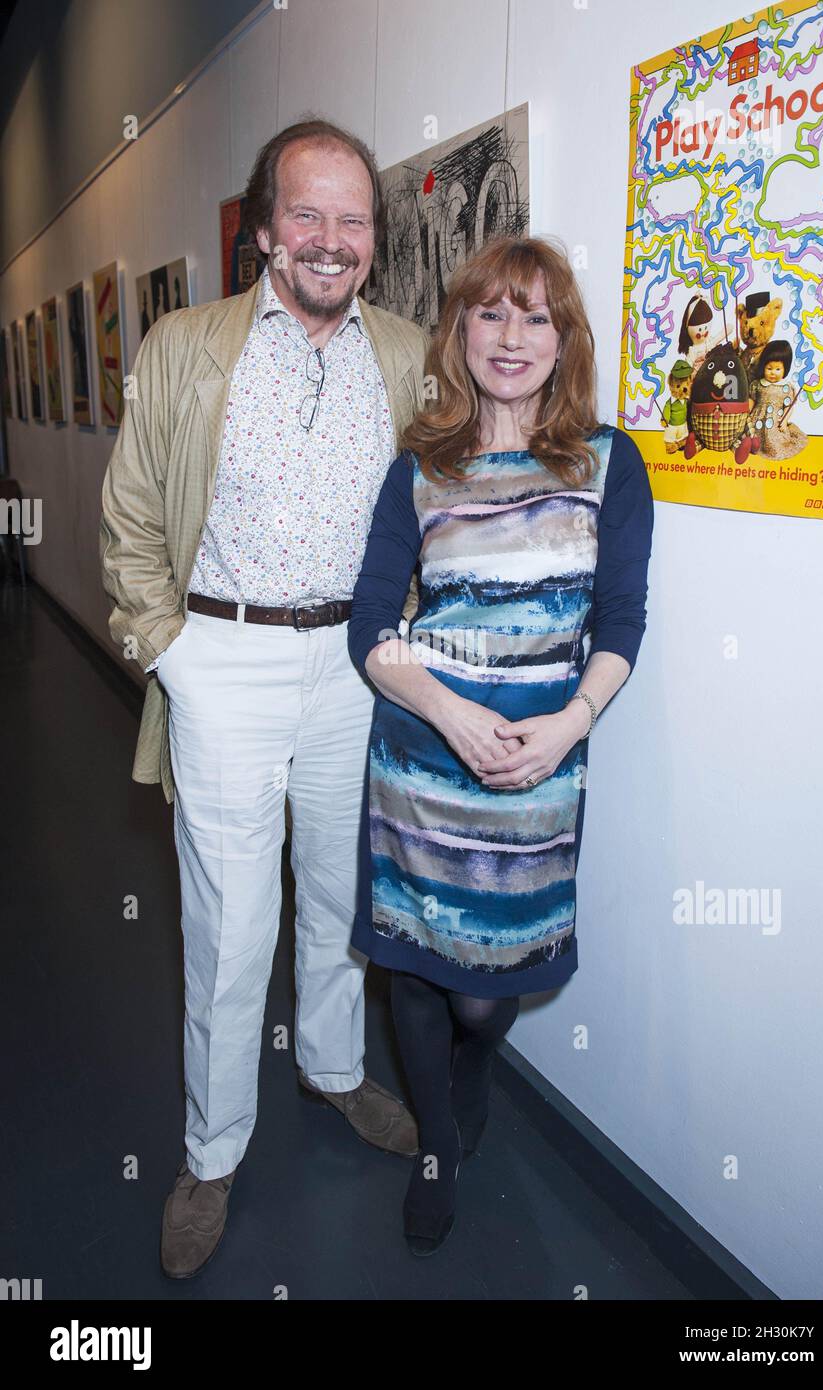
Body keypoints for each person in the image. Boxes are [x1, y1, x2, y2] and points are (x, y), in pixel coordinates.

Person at [99, 118, 429, 1280]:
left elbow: (442, 499)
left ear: (375, 241)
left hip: (352, 666)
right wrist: (175, 658)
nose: (331, 240)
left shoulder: (403, 352)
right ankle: (212, 1148)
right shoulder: (189, 346)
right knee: (232, 926)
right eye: (308, 214)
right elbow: (131, 522)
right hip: (222, 662)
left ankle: (334, 1071)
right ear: (261, 229)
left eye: (353, 219)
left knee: (342, 898)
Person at [347, 234, 654, 1255]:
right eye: (491, 312)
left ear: (563, 338)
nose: (512, 336)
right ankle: (436, 1143)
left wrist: (568, 725)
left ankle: (470, 1074)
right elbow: (371, 631)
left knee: (485, 995)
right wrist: (448, 711)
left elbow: (620, 625)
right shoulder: (418, 470)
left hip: (535, 773)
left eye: (537, 316)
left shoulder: (609, 464)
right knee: (418, 967)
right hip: (423, 761)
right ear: (459, 331)